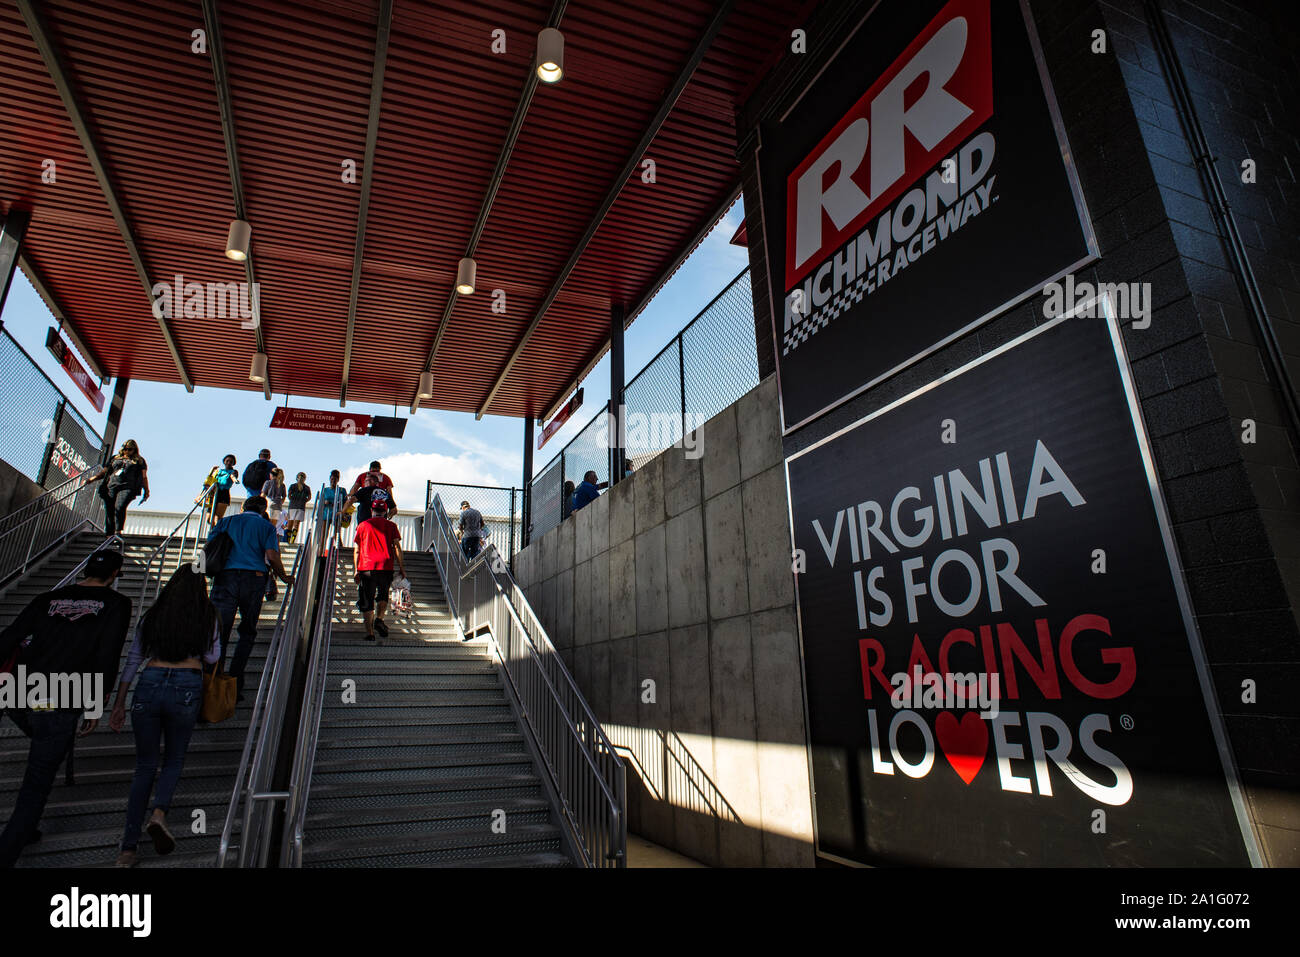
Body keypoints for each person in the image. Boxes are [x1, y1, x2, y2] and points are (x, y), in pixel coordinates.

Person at [0, 549, 131, 867]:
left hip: (22, 692)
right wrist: (95, 704)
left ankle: (26, 828)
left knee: (44, 746)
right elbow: (107, 654)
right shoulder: (117, 604)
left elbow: (10, 637)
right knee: (38, 779)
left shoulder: (48, 598)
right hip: (64, 695)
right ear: (114, 575)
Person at [108, 565, 220, 867]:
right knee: (173, 759)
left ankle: (127, 850)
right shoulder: (207, 616)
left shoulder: (153, 616)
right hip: (187, 683)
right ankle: (159, 813)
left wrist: (119, 703)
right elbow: (212, 657)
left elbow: (133, 659)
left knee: (144, 766)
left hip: (150, 682)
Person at [207, 496, 294, 697]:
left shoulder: (226, 522)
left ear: (243, 507)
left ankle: (212, 681)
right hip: (254, 578)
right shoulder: (266, 527)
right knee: (247, 630)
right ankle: (235, 682)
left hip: (225, 577)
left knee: (219, 631)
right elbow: (272, 556)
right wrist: (283, 577)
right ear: (263, 508)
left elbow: (209, 548)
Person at [352, 499, 406, 641]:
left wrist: (356, 570)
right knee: (383, 596)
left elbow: (357, 550)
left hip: (366, 567)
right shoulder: (391, 526)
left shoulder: (363, 526)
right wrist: (401, 567)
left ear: (372, 511)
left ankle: (370, 633)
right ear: (386, 512)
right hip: (386, 566)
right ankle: (379, 619)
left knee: (367, 600)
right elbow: (397, 547)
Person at [98, 440, 149, 535]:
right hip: (112, 486)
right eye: (125, 449)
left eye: (130, 449)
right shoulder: (115, 458)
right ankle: (109, 535)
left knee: (120, 506)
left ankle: (118, 531)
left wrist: (146, 490)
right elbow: (105, 471)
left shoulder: (139, 460)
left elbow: (144, 476)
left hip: (128, 487)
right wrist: (93, 478)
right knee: (109, 509)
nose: (127, 451)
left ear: (134, 450)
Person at [197, 454, 239, 523]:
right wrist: (212, 471)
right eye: (227, 461)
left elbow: (233, 476)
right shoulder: (218, 471)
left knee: (217, 518)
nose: (229, 463)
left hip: (224, 494)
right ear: (224, 461)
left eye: (231, 462)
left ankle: (216, 531)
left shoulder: (233, 472)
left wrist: (235, 479)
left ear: (233, 463)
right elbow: (210, 480)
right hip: (214, 494)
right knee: (209, 519)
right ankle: (213, 530)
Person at [285, 472, 310, 542]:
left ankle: (288, 539)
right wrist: (304, 500)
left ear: (297, 478)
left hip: (292, 506)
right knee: (296, 524)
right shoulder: (307, 488)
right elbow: (309, 497)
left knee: (290, 524)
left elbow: (289, 496)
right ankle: (292, 539)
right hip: (301, 507)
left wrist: (293, 499)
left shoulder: (293, 486)